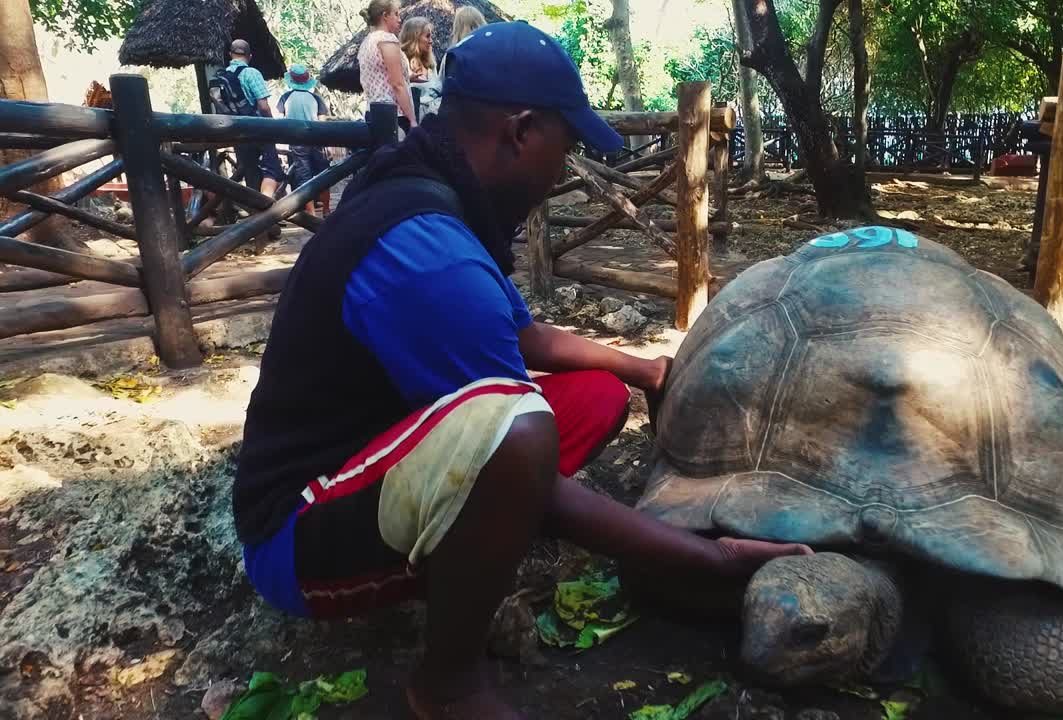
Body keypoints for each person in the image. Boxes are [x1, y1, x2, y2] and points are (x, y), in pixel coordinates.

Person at [233, 21, 810, 720]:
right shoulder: (430, 254)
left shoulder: (434, 191)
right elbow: (515, 449)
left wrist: (644, 369)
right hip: (298, 527)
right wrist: (702, 557)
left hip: (381, 448)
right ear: (521, 131)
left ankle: (479, 539)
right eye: (564, 150)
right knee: (520, 433)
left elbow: (521, 334)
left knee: (595, 397)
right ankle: (447, 685)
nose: (563, 172)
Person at [226, 39, 285, 198]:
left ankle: (257, 216)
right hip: (258, 129)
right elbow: (263, 106)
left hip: (236, 132)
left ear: (230, 54)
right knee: (272, 171)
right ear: (249, 56)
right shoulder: (251, 73)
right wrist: (271, 126)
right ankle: (264, 211)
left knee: (250, 171)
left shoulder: (222, 76)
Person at [276, 63, 331, 215]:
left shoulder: (285, 98)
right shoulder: (315, 98)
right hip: (316, 141)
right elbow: (323, 122)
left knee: (304, 178)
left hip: (297, 142)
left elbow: (279, 121)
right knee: (324, 176)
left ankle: (311, 213)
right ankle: (326, 209)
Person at [357, 0, 416, 134]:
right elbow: (397, 84)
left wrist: (410, 77)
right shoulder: (387, 40)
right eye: (396, 14)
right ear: (385, 16)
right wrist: (412, 120)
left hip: (372, 112)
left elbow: (381, 76)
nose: (399, 19)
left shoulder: (367, 42)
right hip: (394, 116)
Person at [400, 16, 438, 117]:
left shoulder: (431, 66)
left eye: (431, 36)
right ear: (415, 38)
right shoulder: (402, 63)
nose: (431, 41)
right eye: (427, 36)